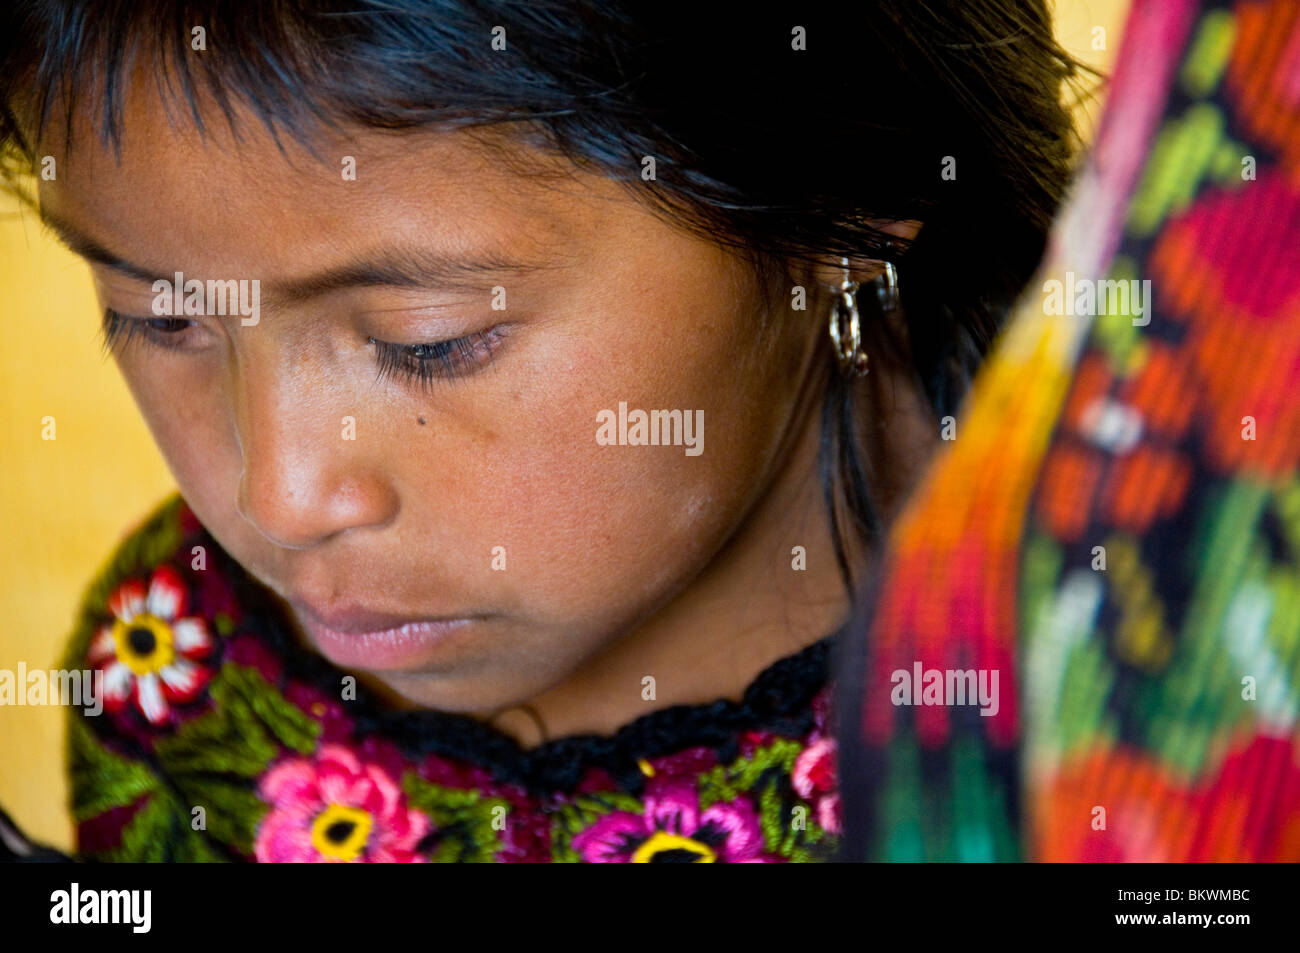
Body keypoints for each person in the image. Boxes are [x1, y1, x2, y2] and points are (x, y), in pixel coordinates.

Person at [0, 1, 1082, 861]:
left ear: (842, 188)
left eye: (428, 341)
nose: (279, 496)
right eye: (163, 317)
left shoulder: (1132, 677)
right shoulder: (181, 676)